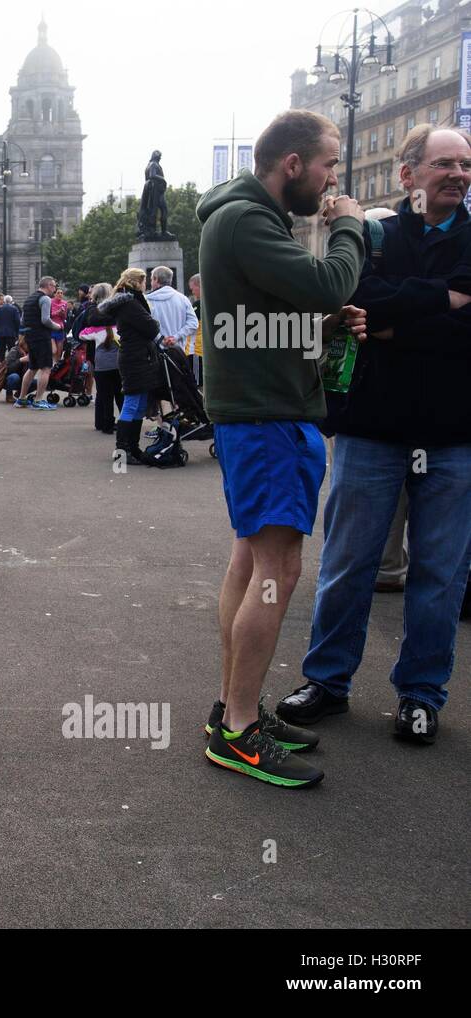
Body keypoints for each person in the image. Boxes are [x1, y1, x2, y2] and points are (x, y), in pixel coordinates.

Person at [277, 125, 471, 744]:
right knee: (346, 564)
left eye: (465, 165)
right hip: (371, 428)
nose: (458, 175)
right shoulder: (375, 235)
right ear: (408, 174)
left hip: (454, 434)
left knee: (440, 576)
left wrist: (391, 326)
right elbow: (355, 299)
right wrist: (446, 301)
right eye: (444, 164)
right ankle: (327, 682)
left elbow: (390, 315)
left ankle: (421, 694)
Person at [196, 108, 367, 787]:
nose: (332, 182)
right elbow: (330, 280)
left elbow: (257, 323)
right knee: (278, 568)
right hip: (268, 417)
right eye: (329, 165)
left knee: (250, 560)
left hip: (261, 413)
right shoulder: (248, 219)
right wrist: (348, 226)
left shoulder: (241, 217)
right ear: (292, 164)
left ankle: (233, 710)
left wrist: (322, 327)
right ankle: (238, 731)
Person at [88, 269, 165, 463]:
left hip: (136, 355)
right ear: (137, 282)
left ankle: (132, 448)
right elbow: (151, 327)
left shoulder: (128, 302)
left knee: (138, 404)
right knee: (132, 403)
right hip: (135, 357)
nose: (146, 285)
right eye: (144, 281)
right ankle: (123, 450)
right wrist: (153, 323)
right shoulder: (130, 303)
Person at [83, 282, 120, 433]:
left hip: (96, 353)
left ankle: (102, 422)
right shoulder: (114, 311)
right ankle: (121, 422)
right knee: (118, 391)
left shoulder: (90, 310)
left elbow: (83, 331)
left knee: (103, 392)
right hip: (114, 354)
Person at [17, 278, 59, 410]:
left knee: (32, 368)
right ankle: (38, 400)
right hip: (41, 336)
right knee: (46, 368)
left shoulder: (29, 299)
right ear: (49, 285)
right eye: (54, 286)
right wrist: (57, 326)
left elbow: (23, 320)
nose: (55, 289)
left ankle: (21, 399)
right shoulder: (45, 299)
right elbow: (45, 320)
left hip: (30, 336)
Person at [145, 266, 198, 361]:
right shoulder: (183, 299)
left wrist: (161, 340)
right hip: (178, 352)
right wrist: (175, 337)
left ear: (156, 279)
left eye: (151, 279)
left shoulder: (147, 300)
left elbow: (146, 326)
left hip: (155, 353)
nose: (151, 283)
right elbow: (193, 323)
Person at [0, 292, 21, 365]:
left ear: (4, 301)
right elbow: (18, 321)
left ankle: (1, 365)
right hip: (11, 333)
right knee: (12, 350)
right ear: (11, 301)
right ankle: (10, 365)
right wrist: (16, 331)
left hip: (1, 333)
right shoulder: (14, 309)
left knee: (2, 351)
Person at [187, 273, 204, 386]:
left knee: (196, 384)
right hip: (204, 350)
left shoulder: (199, 304)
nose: (192, 292)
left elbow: (190, 324)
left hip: (196, 350)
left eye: (193, 289)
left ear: (200, 286)